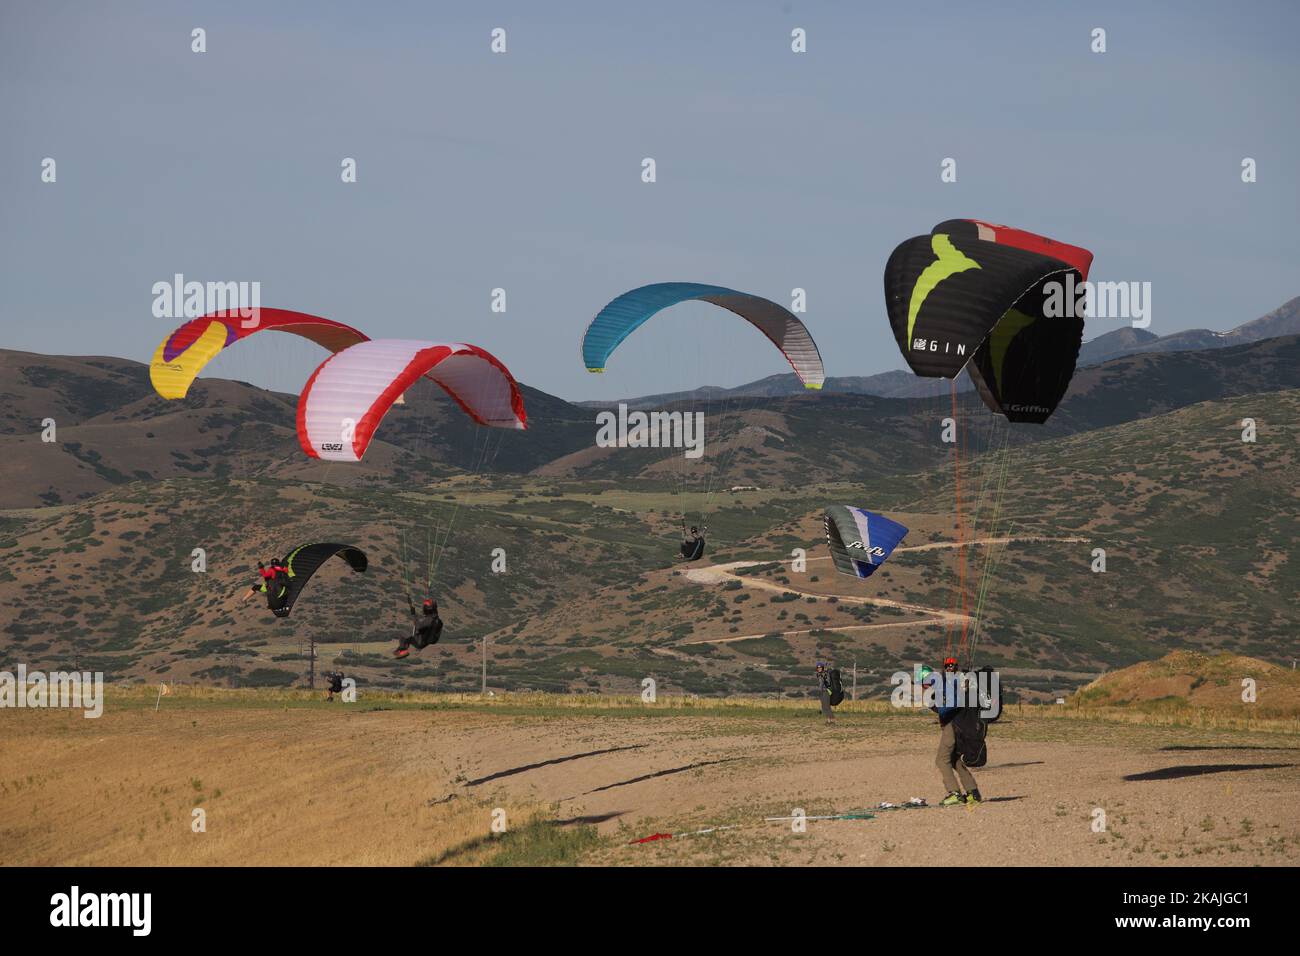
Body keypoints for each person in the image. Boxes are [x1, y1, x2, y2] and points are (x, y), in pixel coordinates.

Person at [924, 656, 982, 806]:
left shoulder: (953, 684)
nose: (949, 668)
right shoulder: (954, 683)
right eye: (947, 666)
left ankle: (954, 793)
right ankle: (973, 792)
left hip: (952, 726)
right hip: (958, 726)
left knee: (942, 760)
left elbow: (946, 708)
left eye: (952, 666)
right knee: (955, 760)